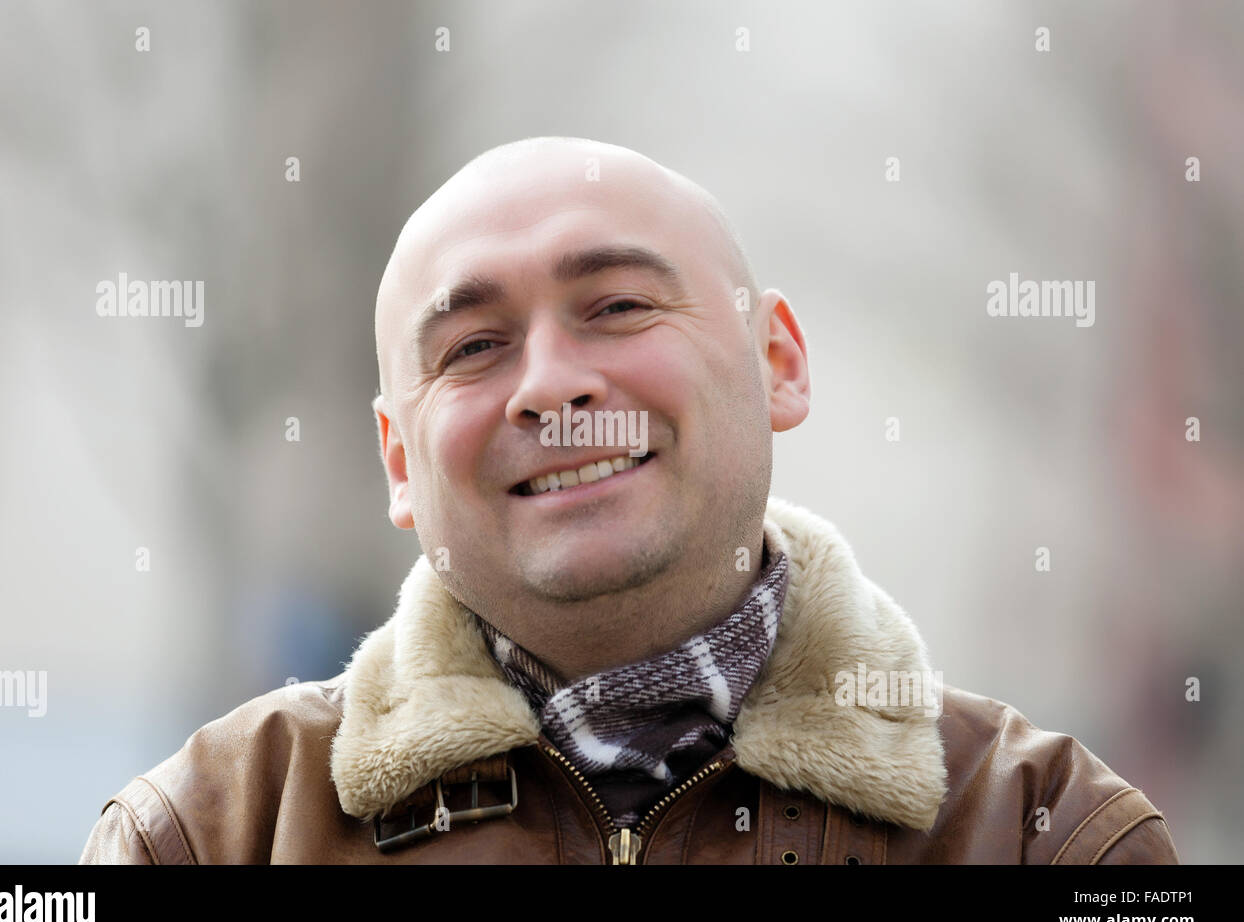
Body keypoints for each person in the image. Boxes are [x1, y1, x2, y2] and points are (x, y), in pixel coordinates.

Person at [78, 136, 1179, 864]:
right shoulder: (213, 835)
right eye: (473, 345)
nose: (552, 382)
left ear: (778, 363)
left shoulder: (1044, 834)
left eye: (614, 305)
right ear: (400, 462)